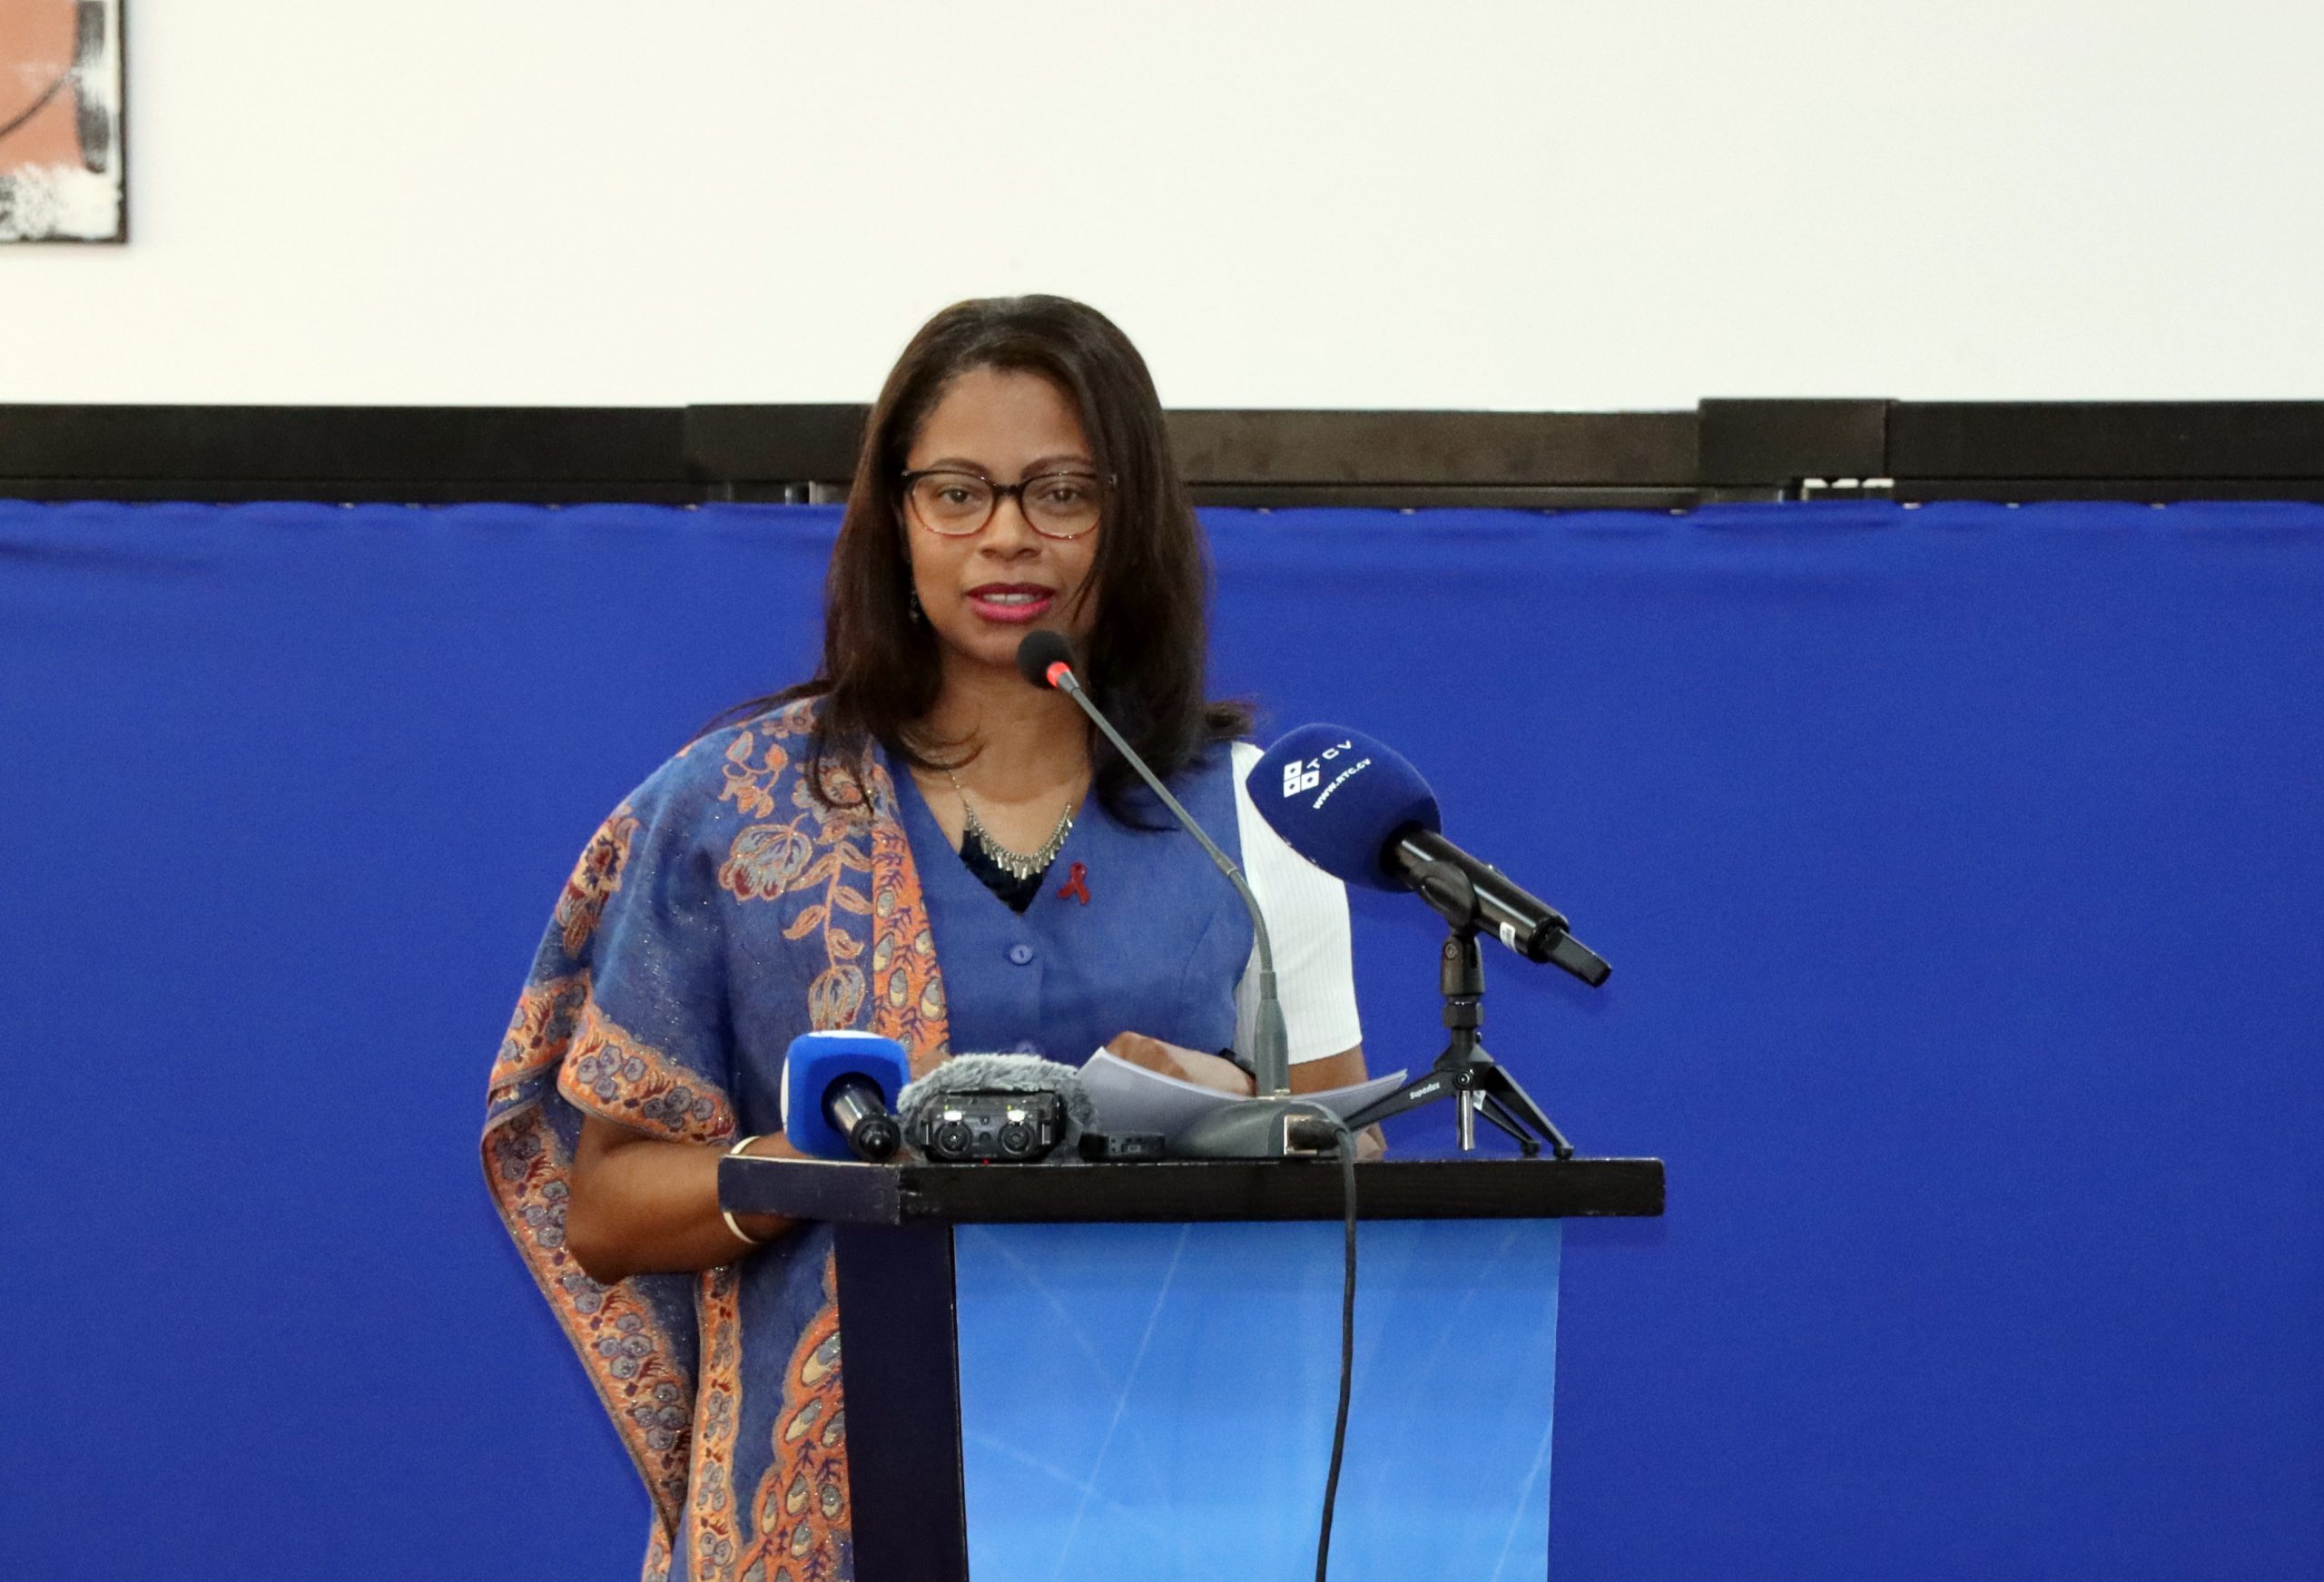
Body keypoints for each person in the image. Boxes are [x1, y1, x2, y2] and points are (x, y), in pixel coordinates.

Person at [481, 295, 1373, 1582]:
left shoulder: (1241, 819)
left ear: (1129, 521)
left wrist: (1231, 1103)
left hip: (1161, 1502)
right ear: (894, 519)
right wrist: (805, 1168)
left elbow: (1354, 1163)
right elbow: (604, 1204)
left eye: (1060, 491)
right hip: (823, 1522)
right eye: (958, 491)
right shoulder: (733, 813)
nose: (1008, 535)